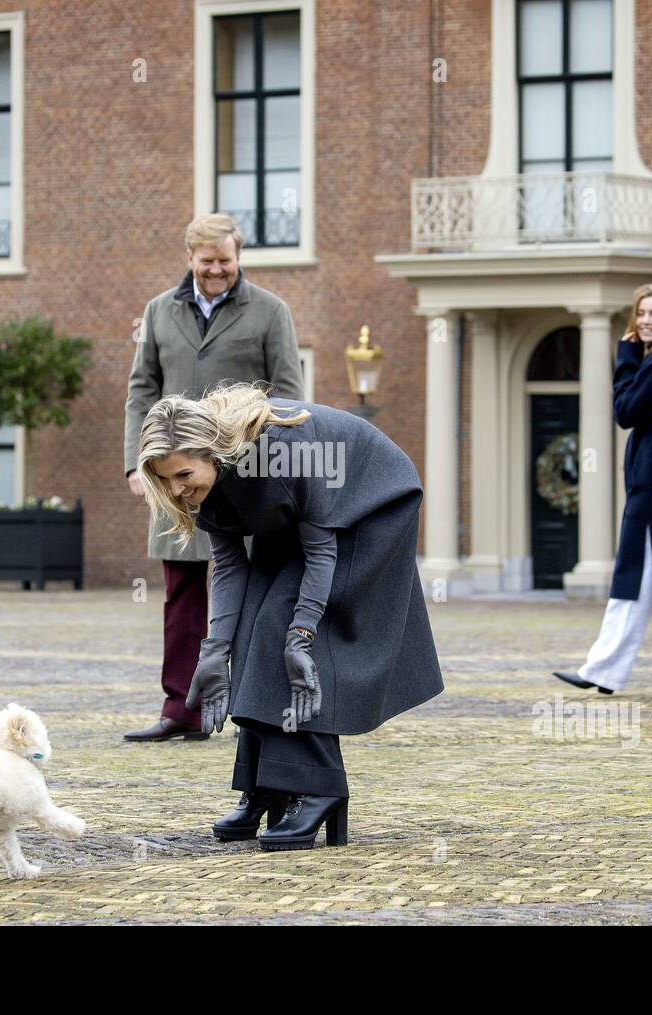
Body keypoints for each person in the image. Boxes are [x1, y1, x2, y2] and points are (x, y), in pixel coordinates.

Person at [135, 384, 444, 850]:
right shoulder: (205, 487)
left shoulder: (282, 455)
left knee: (281, 624)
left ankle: (320, 786)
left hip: (372, 504)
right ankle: (268, 783)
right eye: (166, 481)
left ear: (212, 452)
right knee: (250, 628)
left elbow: (321, 554)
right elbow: (231, 567)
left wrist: (301, 636)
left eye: (182, 474)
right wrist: (215, 649)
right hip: (299, 515)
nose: (177, 490)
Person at [122, 214, 303, 742]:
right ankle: (183, 707)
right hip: (175, 478)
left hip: (243, 475)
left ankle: (250, 705)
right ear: (190, 260)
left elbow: (288, 392)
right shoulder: (159, 311)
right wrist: (138, 462)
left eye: (226, 260)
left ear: (237, 256)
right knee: (182, 593)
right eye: (208, 262)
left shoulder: (271, 311)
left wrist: (275, 468)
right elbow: (142, 389)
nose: (218, 270)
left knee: (252, 587)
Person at [553, 283, 652, 696]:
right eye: (640, 314)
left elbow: (624, 411)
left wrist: (624, 358)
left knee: (636, 569)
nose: (644, 322)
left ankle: (603, 670)